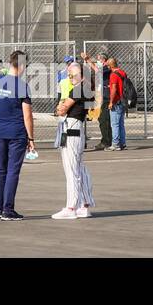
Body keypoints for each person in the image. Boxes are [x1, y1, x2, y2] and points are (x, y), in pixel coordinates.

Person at [0, 50, 35, 221]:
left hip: (0, 132)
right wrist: (31, 138)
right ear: (21, 65)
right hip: (17, 133)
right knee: (13, 170)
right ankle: (8, 209)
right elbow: (27, 115)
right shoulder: (21, 86)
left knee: (0, 170)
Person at [52, 60, 95, 219]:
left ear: (82, 76)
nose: (70, 78)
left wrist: (61, 107)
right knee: (79, 168)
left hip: (72, 129)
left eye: (73, 75)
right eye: (69, 75)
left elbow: (62, 109)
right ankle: (84, 205)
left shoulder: (78, 90)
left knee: (72, 170)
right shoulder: (84, 89)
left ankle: (71, 207)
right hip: (76, 129)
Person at [107, 56, 129, 150]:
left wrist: (111, 102)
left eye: (107, 65)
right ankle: (122, 143)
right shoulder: (122, 72)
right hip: (123, 100)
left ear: (110, 65)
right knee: (120, 123)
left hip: (116, 101)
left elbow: (114, 89)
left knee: (114, 124)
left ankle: (115, 144)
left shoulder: (113, 75)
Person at [94, 52, 113, 150]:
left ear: (103, 60)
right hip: (101, 97)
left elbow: (97, 70)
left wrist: (88, 61)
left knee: (104, 120)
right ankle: (107, 140)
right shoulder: (103, 69)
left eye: (98, 60)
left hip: (106, 98)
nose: (97, 62)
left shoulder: (106, 68)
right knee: (102, 119)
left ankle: (106, 141)